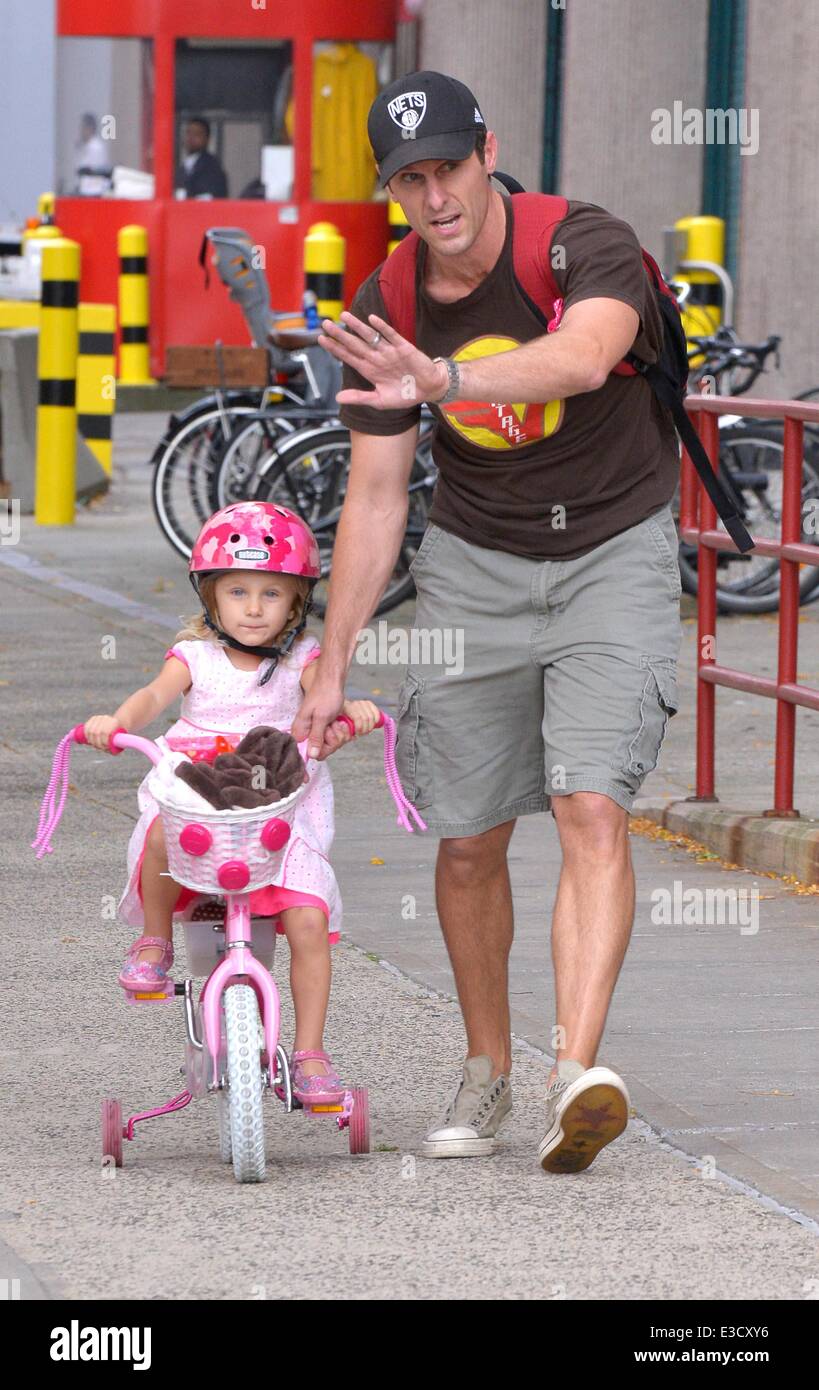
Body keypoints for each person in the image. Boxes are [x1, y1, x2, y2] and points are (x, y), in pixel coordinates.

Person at [292, 71, 682, 1171]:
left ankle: (575, 1076)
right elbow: (375, 497)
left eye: (449, 168)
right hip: (477, 558)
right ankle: (488, 1065)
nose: (435, 195)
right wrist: (332, 661)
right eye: (409, 180)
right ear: (394, 193)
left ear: (486, 153)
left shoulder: (578, 243)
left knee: (590, 802)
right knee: (468, 837)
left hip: (613, 545)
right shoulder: (384, 307)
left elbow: (588, 353)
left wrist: (445, 378)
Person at [83, 502, 379, 1104]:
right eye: (237, 591)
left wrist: (351, 712)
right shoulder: (194, 656)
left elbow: (324, 703)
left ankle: (310, 1052)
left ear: (295, 602)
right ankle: (155, 941)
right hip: (200, 798)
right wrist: (117, 722)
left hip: (275, 811)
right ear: (211, 598)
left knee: (308, 919)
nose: (251, 607)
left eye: (271, 594)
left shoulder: (304, 660)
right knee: (164, 832)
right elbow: (153, 696)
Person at [175, 117, 228, 199]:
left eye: (197, 134)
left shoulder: (212, 167)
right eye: (188, 133)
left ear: (207, 138)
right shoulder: (182, 166)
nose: (191, 138)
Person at [74, 114, 111, 196]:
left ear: (89, 128)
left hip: (94, 190)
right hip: (85, 188)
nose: (81, 131)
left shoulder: (96, 148)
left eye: (83, 128)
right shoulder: (85, 146)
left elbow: (94, 171)